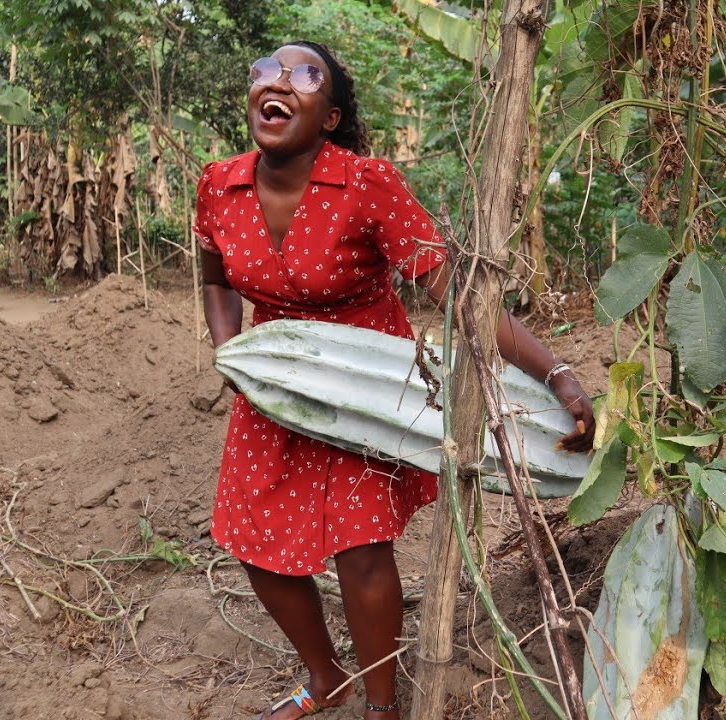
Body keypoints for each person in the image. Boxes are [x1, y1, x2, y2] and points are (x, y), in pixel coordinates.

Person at [196, 41, 595, 720]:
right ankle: (326, 677)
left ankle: (382, 706)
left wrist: (554, 373)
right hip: (276, 385)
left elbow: (459, 293)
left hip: (370, 390)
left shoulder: (366, 184)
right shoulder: (219, 184)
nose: (278, 84)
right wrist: (232, 352)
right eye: (264, 73)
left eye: (304, 76)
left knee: (360, 549)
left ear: (330, 118)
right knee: (254, 542)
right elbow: (213, 277)